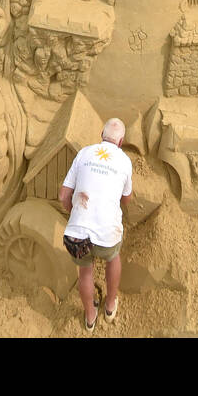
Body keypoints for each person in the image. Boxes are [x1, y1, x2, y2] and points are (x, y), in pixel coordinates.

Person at [59, 117, 133, 330]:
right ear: (121, 142)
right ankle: (110, 307)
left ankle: (90, 318)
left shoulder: (84, 153)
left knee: (85, 272)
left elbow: (64, 195)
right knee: (113, 258)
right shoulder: (124, 161)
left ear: (102, 134)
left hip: (77, 233)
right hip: (108, 232)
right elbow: (126, 198)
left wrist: (75, 214)